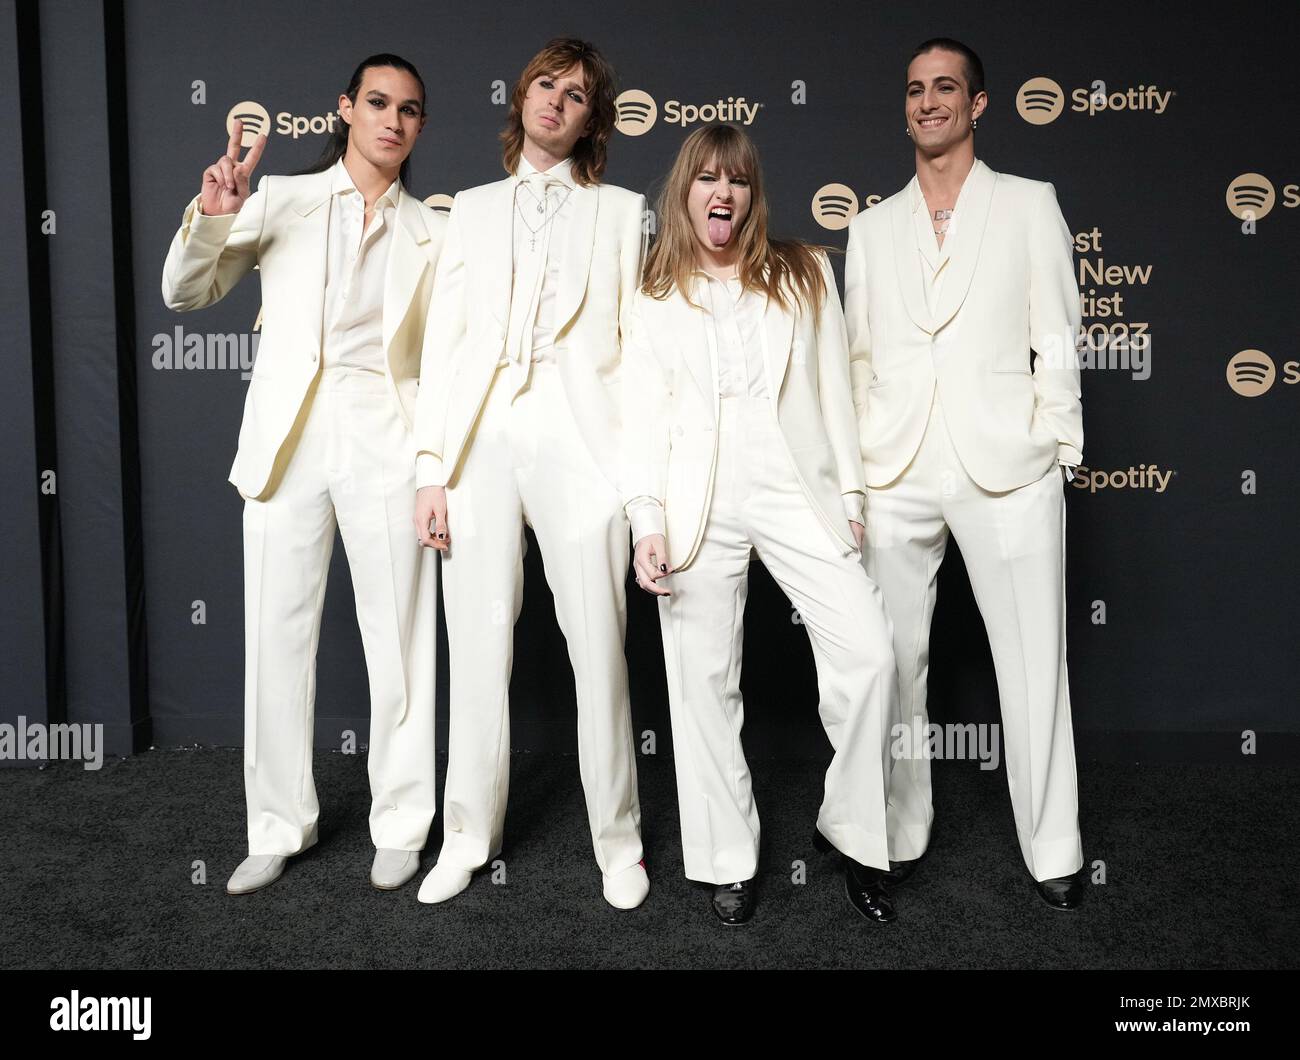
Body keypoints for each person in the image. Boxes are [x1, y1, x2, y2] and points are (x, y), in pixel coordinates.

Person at [161, 55, 445, 895]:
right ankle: (276, 825)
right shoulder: (280, 196)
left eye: (411, 110)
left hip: (386, 441)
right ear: (346, 109)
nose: (394, 120)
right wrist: (211, 217)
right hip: (287, 440)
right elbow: (185, 295)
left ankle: (401, 822)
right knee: (276, 640)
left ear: (420, 127)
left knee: (399, 638)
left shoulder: (433, 229)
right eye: (379, 103)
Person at [622, 124, 900, 926]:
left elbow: (834, 393)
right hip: (692, 501)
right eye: (707, 178)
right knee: (702, 683)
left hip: (793, 486)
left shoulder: (805, 271)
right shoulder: (651, 292)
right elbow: (639, 419)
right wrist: (647, 520)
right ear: (685, 190)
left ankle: (850, 832)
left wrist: (850, 499)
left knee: (871, 653)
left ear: (752, 194)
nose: (722, 193)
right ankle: (726, 860)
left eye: (737, 180)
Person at [844, 37, 1087, 909]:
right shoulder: (869, 228)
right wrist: (861, 467)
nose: (928, 101)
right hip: (895, 466)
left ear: (978, 105)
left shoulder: (1028, 205)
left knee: (1032, 661)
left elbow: (1056, 331)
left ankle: (1054, 845)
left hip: (1007, 467)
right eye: (915, 89)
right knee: (895, 659)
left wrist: (1056, 442)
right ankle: (899, 833)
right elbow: (858, 358)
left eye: (945, 88)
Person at [411, 38, 648, 910]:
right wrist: (432, 468)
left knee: (601, 652)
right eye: (545, 86)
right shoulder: (467, 209)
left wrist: (636, 479)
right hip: (481, 439)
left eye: (576, 94)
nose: (556, 101)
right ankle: (468, 835)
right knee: (476, 647)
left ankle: (618, 844)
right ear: (522, 98)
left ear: (593, 120)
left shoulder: (623, 212)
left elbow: (637, 350)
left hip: (583, 442)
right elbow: (444, 346)